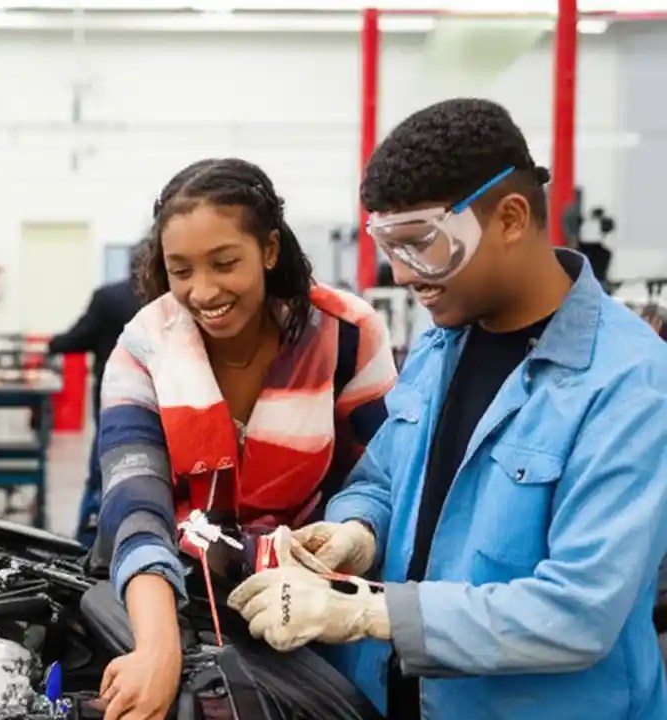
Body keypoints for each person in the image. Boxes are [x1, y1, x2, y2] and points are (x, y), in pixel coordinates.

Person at [228, 98, 667, 720]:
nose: (404, 276)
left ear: (511, 218)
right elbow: (384, 477)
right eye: (390, 246)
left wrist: (368, 612)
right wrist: (357, 531)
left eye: (421, 245)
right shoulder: (442, 345)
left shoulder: (630, 383)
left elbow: (579, 611)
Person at [93, 158, 398, 719]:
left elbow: (384, 474)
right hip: (173, 591)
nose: (203, 291)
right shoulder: (143, 349)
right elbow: (134, 500)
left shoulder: (346, 336)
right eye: (180, 270)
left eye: (225, 263)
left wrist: (353, 534)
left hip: (313, 606)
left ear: (271, 250)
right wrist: (159, 650)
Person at [47, 238, 147, 546]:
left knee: (103, 470)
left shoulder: (109, 297)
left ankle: (89, 545)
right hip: (163, 403)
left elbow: (81, 336)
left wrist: (52, 344)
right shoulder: (167, 300)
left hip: (114, 403)